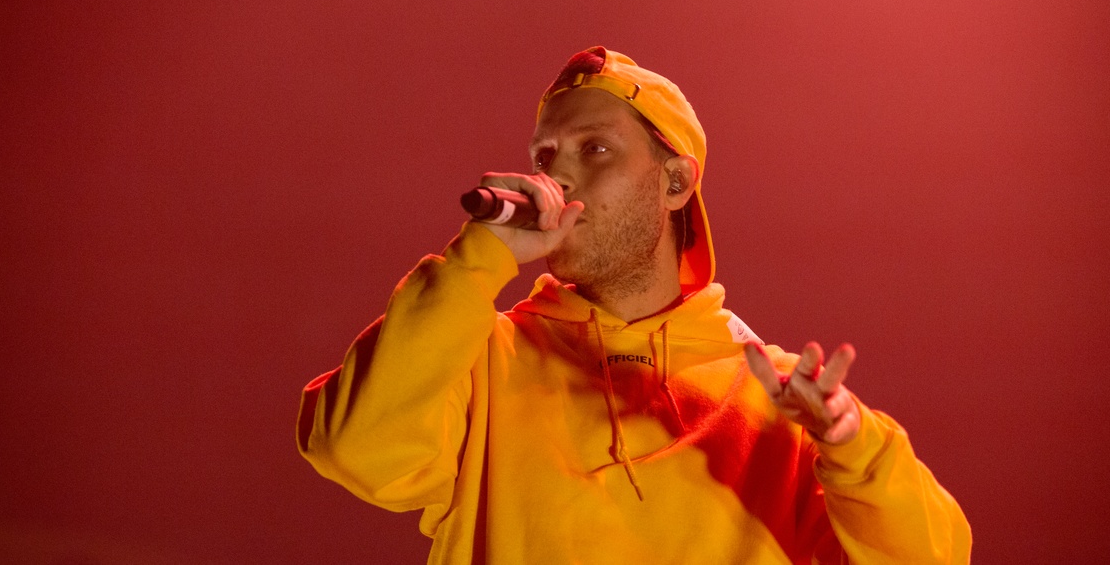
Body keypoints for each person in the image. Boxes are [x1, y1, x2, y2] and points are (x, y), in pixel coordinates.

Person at [297, 47, 971, 564]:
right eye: (546, 155)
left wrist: (852, 445)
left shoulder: (779, 396)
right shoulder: (479, 359)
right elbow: (355, 449)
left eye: (595, 150)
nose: (556, 175)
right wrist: (478, 261)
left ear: (676, 181)